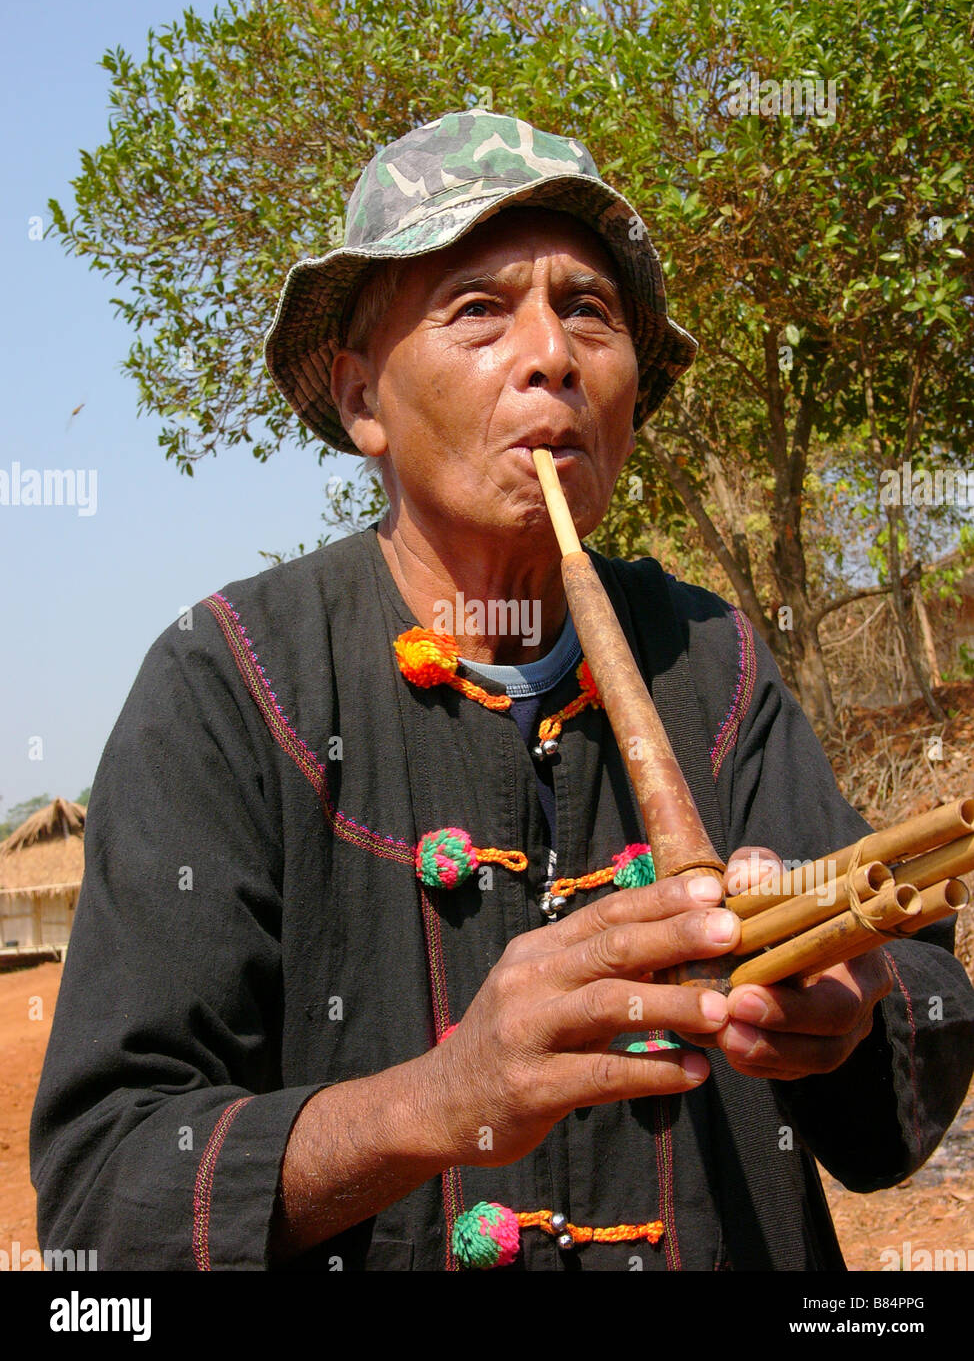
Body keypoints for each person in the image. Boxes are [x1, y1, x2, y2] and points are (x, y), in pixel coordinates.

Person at [31, 110, 974, 1272]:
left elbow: (899, 1083)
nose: (552, 355)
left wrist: (853, 998)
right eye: (477, 309)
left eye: (588, 309)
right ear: (364, 399)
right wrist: (440, 1097)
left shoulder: (713, 658)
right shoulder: (231, 678)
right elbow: (104, 1193)